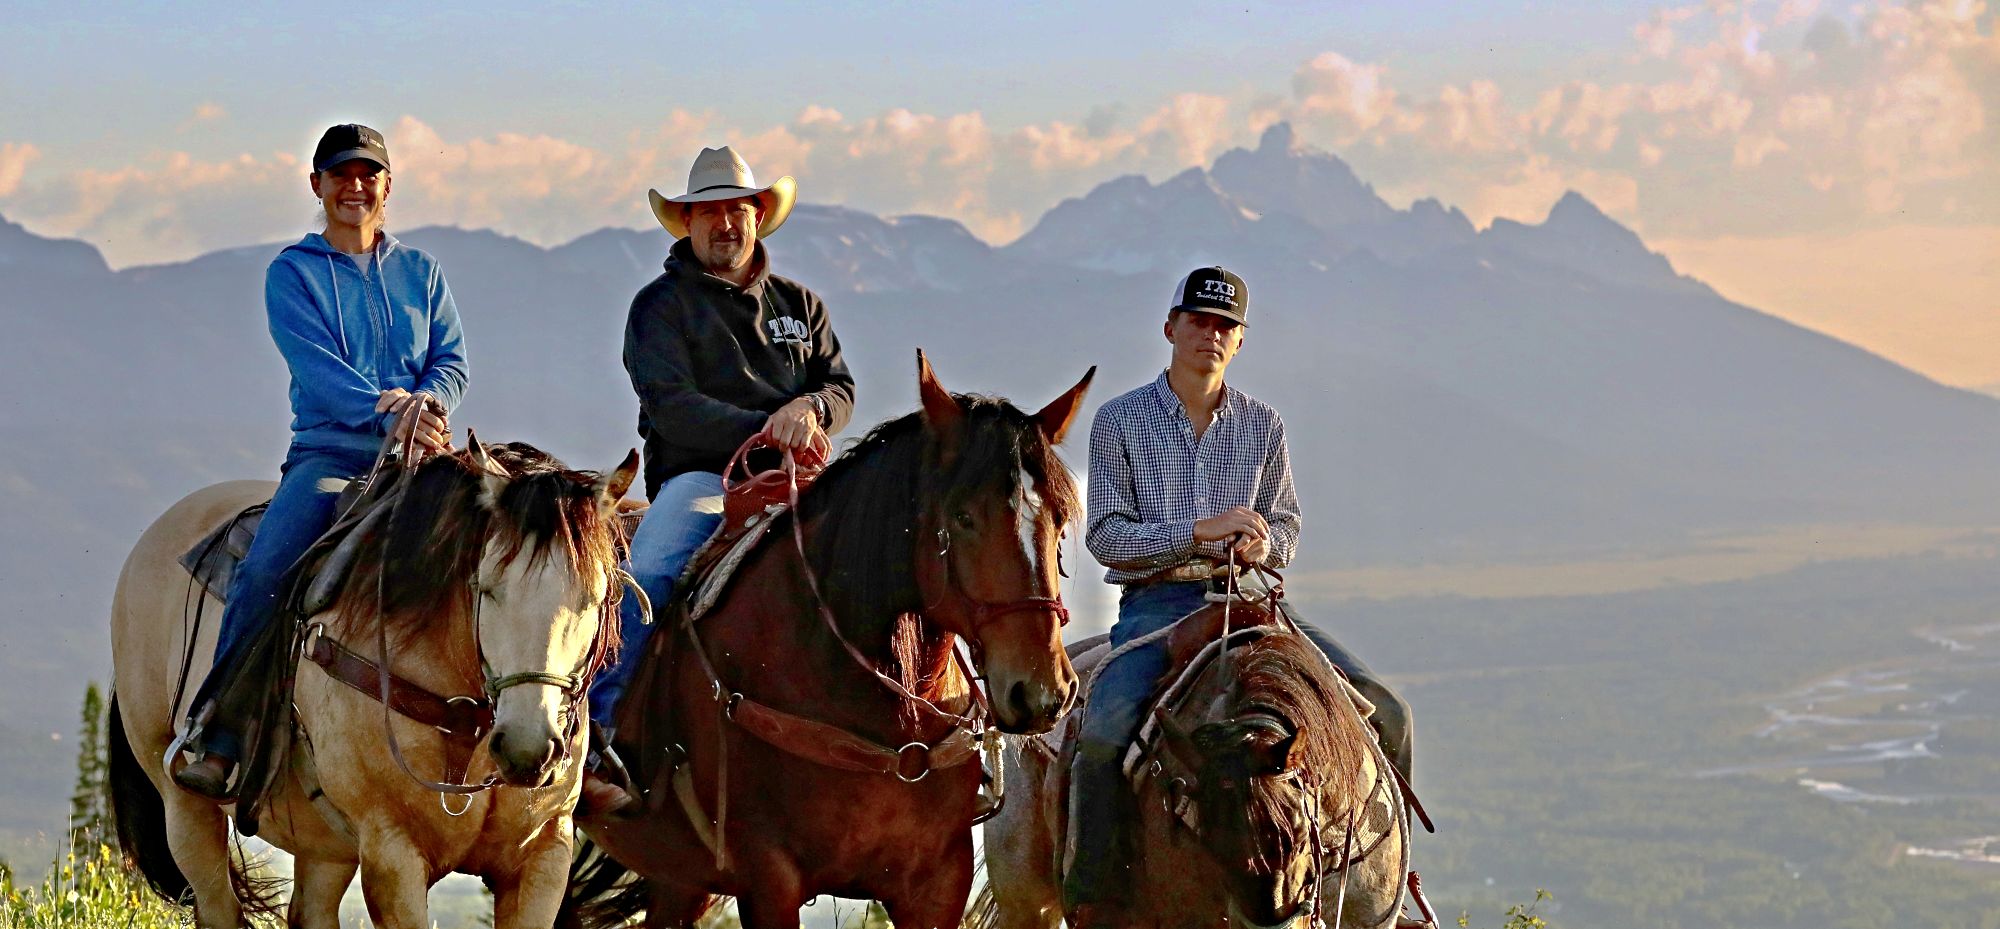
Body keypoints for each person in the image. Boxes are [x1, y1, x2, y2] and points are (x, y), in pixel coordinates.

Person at [1066, 266, 1414, 913]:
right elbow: (1107, 536)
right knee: (1105, 728)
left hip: (1254, 605)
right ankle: (1096, 893)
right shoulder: (1118, 422)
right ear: (1170, 328)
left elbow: (1285, 524)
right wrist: (1200, 531)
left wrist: (1262, 544)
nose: (1211, 334)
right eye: (1199, 320)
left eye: (1226, 325)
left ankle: (1385, 895)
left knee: (1387, 712)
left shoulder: (1264, 425)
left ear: (1240, 342)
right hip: (1157, 608)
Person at [175, 124, 467, 798]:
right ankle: (219, 733)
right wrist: (387, 408)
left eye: (368, 174)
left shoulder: (422, 272)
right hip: (332, 453)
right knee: (265, 572)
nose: (355, 187)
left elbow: (451, 359)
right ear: (317, 185)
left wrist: (427, 403)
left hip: (423, 454)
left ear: (389, 186)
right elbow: (319, 369)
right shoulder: (292, 273)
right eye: (340, 175)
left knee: (513, 553)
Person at [582, 146, 855, 813]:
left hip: (803, 474)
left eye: (738, 209)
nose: (726, 224)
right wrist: (769, 425)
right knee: (648, 573)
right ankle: (600, 727)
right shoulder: (659, 308)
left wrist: (811, 409)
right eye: (710, 213)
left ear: (759, 217)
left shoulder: (803, 305)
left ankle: (923, 719)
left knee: (887, 550)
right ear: (688, 223)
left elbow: (840, 385)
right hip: (703, 477)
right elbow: (672, 403)